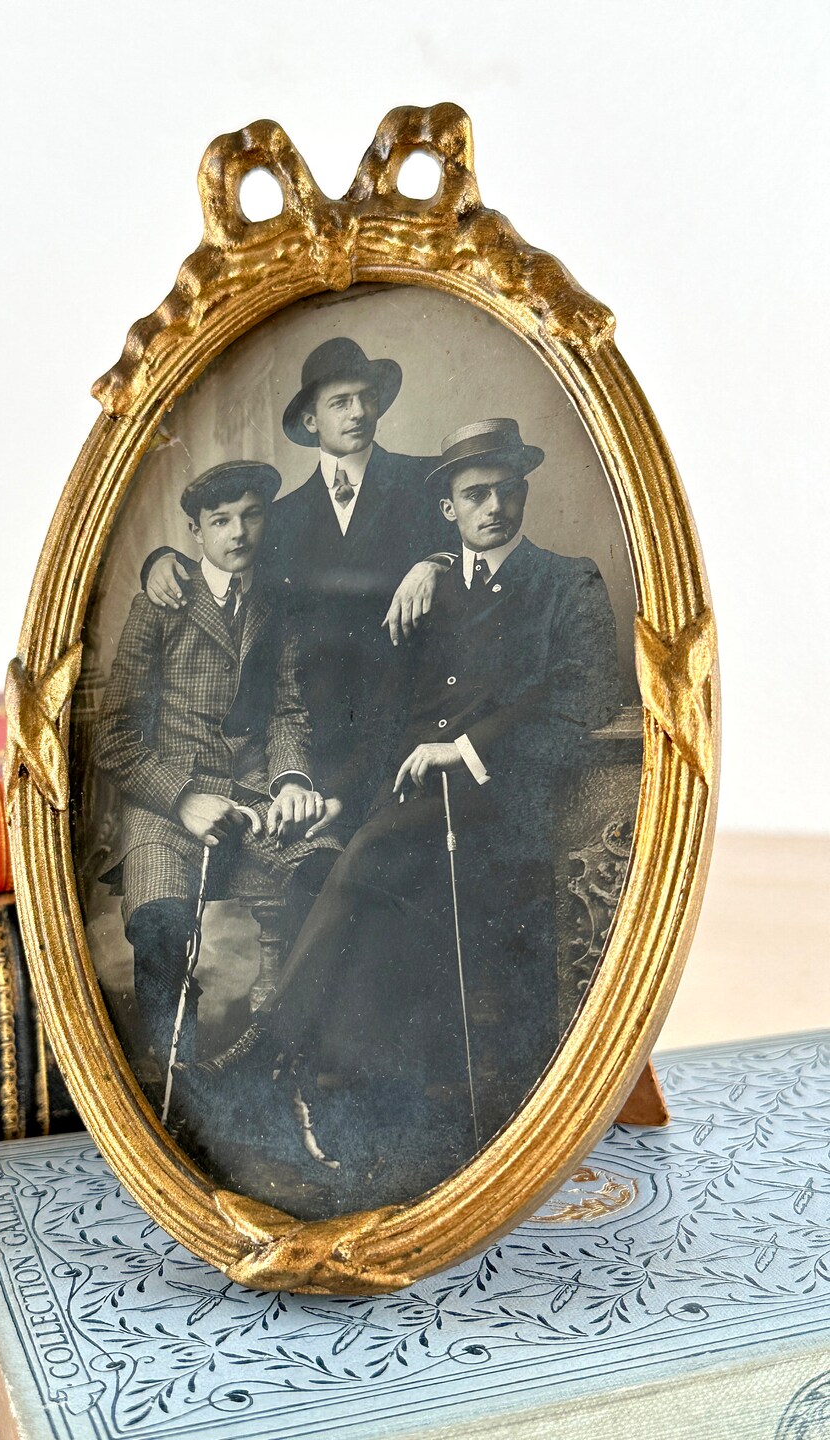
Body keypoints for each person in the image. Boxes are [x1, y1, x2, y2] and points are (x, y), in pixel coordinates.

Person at [255, 419, 623, 1208]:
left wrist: (468, 750)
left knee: (379, 856)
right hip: (411, 805)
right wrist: (338, 795)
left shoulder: (567, 582)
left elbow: (585, 694)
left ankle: (273, 1053)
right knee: (337, 869)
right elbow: (392, 723)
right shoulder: (428, 590)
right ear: (448, 510)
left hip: (505, 808)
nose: (494, 505)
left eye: (507, 489)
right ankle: (363, 1126)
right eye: (475, 494)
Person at [90, 461, 341, 1123]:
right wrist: (179, 798)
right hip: (165, 805)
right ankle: (176, 1091)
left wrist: (290, 781)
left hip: (252, 797)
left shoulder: (274, 607)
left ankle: (278, 1066)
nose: (238, 532)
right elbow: (114, 734)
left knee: (328, 877)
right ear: (196, 531)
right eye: (222, 520)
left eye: (251, 515)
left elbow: (288, 713)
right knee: (160, 926)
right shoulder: (160, 606)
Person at [142, 338, 452, 830]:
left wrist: (435, 561)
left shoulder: (422, 481)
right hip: (319, 732)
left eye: (366, 398)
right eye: (340, 402)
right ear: (311, 422)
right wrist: (160, 560)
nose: (359, 412)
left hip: (410, 715)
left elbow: (478, 548)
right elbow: (227, 556)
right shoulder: (282, 517)